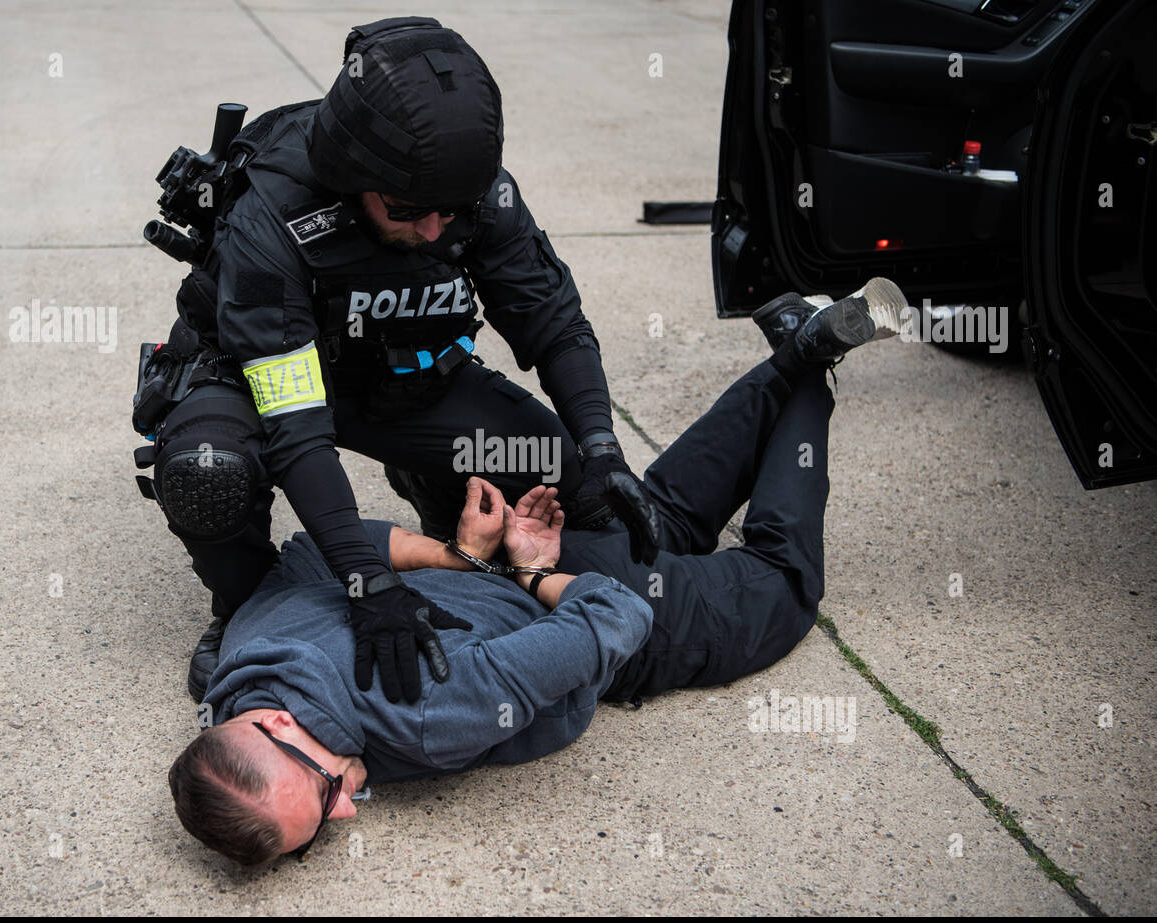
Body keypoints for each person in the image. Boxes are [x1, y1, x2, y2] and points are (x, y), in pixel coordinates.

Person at [167, 279, 913, 866]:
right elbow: (318, 550)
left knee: (780, 584)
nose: (349, 811)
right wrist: (461, 555)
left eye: (324, 793)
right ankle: (791, 351)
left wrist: (524, 575)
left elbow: (617, 618)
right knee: (666, 514)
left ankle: (813, 361)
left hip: (577, 601)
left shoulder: (427, 712)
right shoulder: (243, 657)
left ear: (274, 723)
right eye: (319, 834)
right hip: (529, 545)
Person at [140, 16, 662, 707]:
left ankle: (434, 483)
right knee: (209, 474)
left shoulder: (464, 186)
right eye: (409, 210)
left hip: (398, 382)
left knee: (563, 478)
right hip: (256, 386)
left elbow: (554, 319)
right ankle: (247, 599)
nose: (432, 229)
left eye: (450, 211)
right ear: (352, 173)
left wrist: (601, 443)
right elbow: (297, 423)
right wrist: (366, 580)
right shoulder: (273, 209)